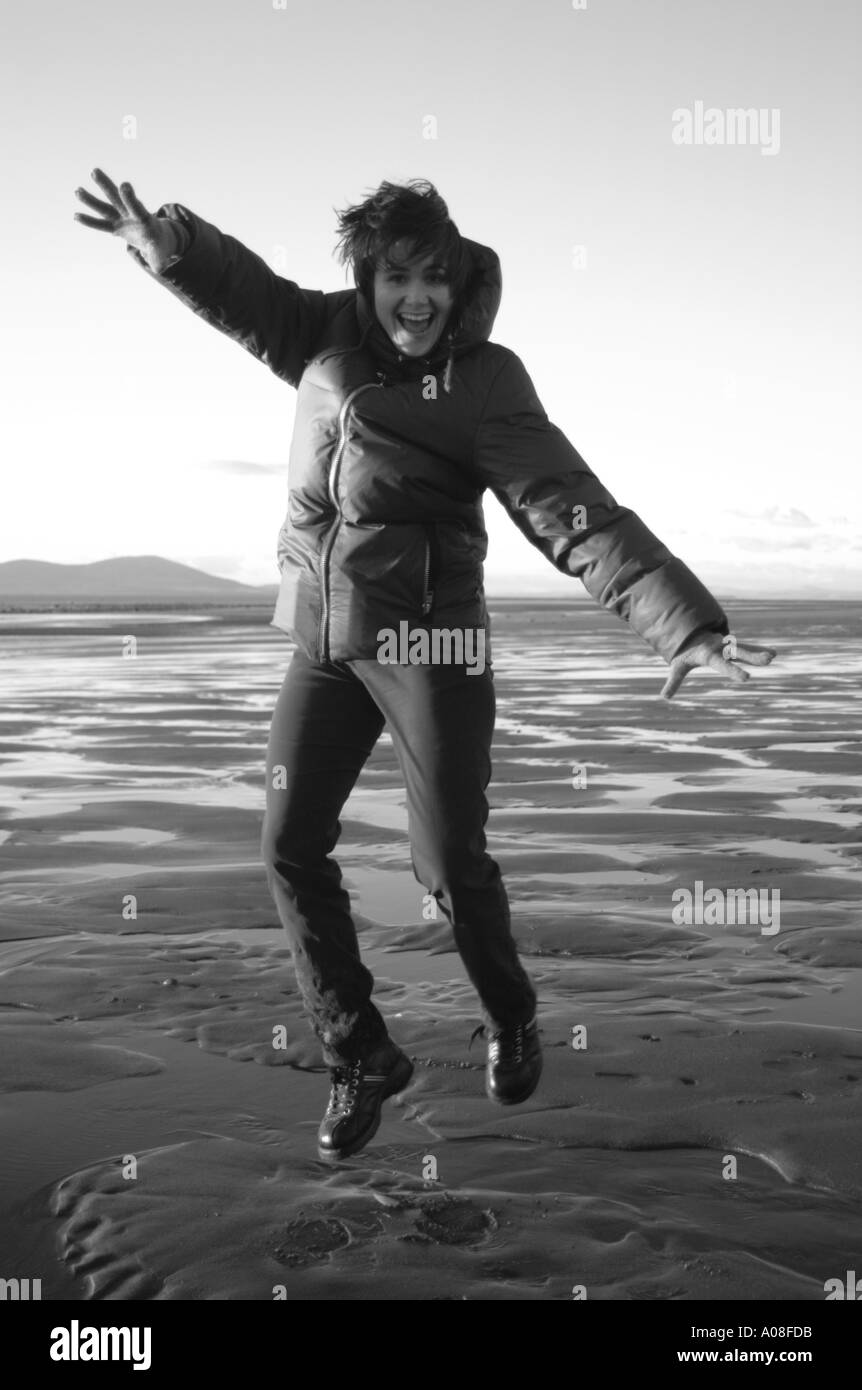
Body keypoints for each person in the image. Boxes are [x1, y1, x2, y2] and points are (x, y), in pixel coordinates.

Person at [74, 169, 776, 1163]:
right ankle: (359, 1051)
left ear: (458, 282)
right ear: (367, 279)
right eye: (396, 275)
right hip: (325, 640)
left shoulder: (487, 382)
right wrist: (173, 243)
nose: (415, 297)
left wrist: (680, 621)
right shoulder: (320, 338)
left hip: (430, 644)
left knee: (446, 863)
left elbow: (570, 507)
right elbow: (239, 288)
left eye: (434, 279)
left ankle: (511, 1014)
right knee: (287, 845)